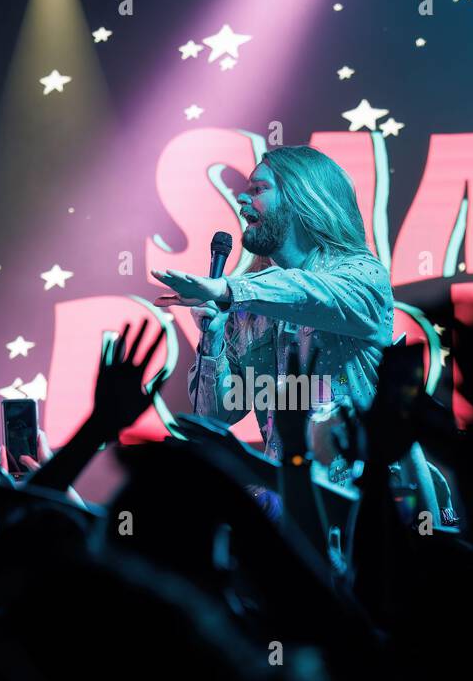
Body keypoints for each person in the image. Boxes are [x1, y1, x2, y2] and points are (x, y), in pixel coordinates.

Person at [151, 145, 393, 486]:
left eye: (258, 189)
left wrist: (228, 290)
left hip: (363, 502)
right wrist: (214, 341)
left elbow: (311, 294)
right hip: (288, 502)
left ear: (301, 196)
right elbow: (216, 415)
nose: (241, 199)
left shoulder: (363, 275)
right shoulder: (250, 303)